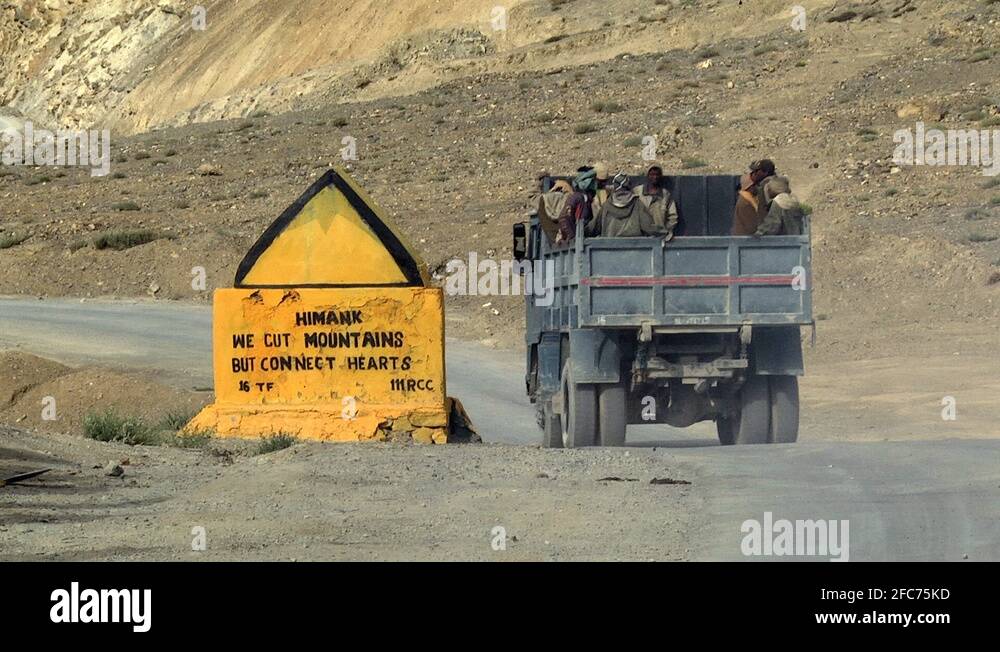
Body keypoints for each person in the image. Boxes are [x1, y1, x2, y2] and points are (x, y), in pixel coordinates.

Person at [585, 173, 667, 238]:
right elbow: (648, 227)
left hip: (609, 250)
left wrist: (579, 231)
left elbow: (594, 228)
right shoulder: (637, 204)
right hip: (636, 250)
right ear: (629, 186)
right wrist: (664, 233)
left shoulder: (606, 205)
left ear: (615, 186)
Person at [632, 164, 679, 239]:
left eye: (657, 174)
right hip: (641, 237)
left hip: (660, 237)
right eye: (652, 174)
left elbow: (673, 216)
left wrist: (665, 230)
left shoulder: (665, 195)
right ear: (647, 175)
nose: (655, 177)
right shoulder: (638, 192)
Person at [732, 159, 775, 235]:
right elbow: (752, 227)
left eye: (755, 172)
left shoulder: (761, 194)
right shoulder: (746, 202)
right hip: (746, 242)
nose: (753, 175)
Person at [556, 167, 598, 243]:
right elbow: (563, 217)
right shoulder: (577, 198)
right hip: (578, 241)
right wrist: (573, 237)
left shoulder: (588, 200)